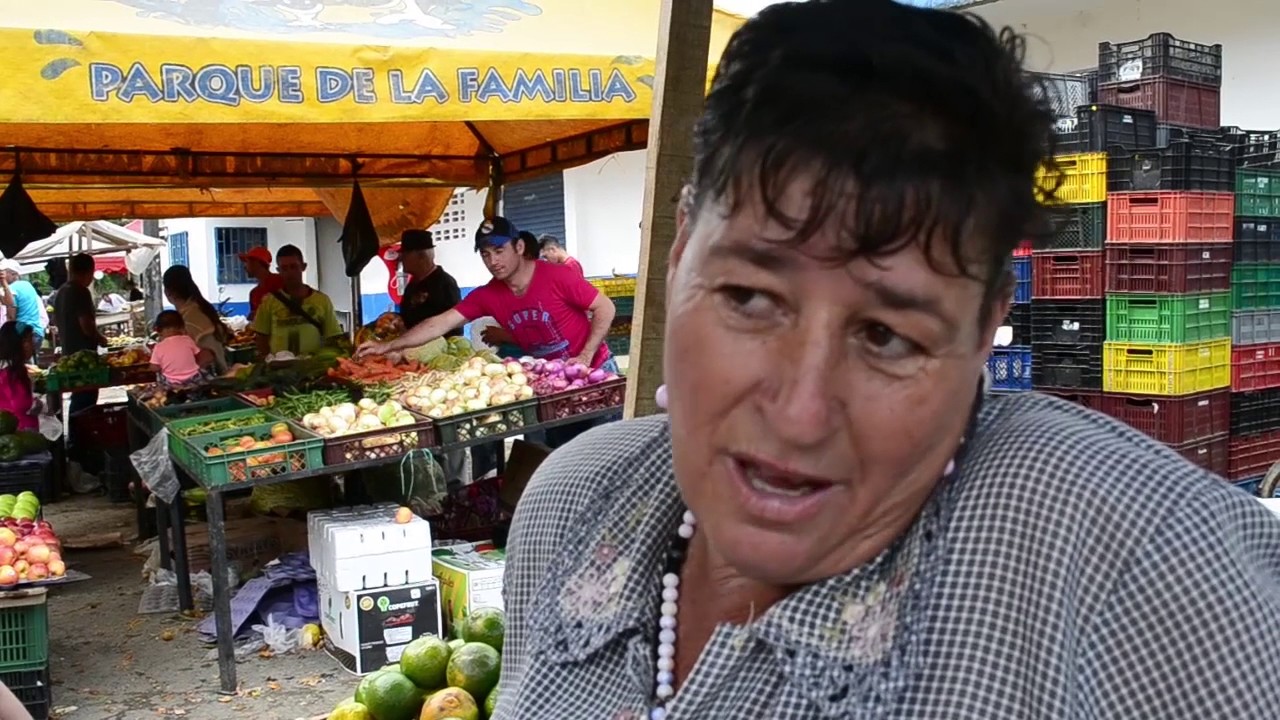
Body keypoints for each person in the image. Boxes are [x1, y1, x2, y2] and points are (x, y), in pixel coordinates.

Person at [492, 3, 1280, 719]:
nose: (800, 413)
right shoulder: (574, 503)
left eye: (889, 337)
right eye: (750, 297)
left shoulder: (1154, 574)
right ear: (680, 251)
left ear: (985, 330)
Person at [359, 217, 615, 370]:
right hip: (553, 378)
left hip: (595, 369)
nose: (492, 260)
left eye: (499, 250)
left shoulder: (556, 276)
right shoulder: (488, 295)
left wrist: (586, 354)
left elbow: (606, 307)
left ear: (519, 246)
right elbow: (439, 323)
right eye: (485, 254)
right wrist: (388, 346)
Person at [253, 245, 343, 359]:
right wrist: (267, 361)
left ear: (303, 267)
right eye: (284, 268)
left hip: (312, 368)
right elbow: (261, 337)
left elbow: (333, 337)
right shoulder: (268, 302)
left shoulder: (322, 301)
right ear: (278, 271)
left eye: (293, 267)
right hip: (279, 370)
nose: (290, 272)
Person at [54, 254, 107, 418]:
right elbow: (86, 325)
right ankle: (82, 435)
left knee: (78, 395)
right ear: (89, 271)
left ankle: (76, 433)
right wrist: (101, 338)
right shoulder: (80, 291)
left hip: (68, 354)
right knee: (86, 399)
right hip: (84, 355)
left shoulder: (62, 291)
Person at [397, 229, 462, 338]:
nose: (401, 259)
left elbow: (454, 328)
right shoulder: (411, 286)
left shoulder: (445, 284)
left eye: (406, 254)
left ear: (422, 257)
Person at [162, 266, 228, 373]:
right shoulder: (198, 308)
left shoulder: (191, 317)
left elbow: (206, 356)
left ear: (168, 292)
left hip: (211, 380)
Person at [149, 310, 213, 386]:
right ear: (182, 327)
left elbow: (154, 368)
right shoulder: (187, 340)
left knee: (159, 374)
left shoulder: (158, 347)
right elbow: (198, 355)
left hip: (171, 382)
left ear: (158, 330)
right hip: (193, 379)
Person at [0, 323, 40, 432]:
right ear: (20, 344)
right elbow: (19, 405)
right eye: (30, 339)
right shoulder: (6, 374)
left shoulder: (17, 370)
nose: (33, 344)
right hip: (17, 435)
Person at [0, 261, 46, 352]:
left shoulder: (13, 288)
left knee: (16, 364)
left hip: (23, 334)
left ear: (13, 273)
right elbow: (6, 302)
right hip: (36, 332)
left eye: (3, 272)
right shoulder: (27, 285)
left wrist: (4, 284)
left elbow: (11, 316)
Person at [239, 246, 284, 320]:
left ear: (256, 263)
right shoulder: (254, 293)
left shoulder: (281, 282)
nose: (245, 266)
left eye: (247, 262)